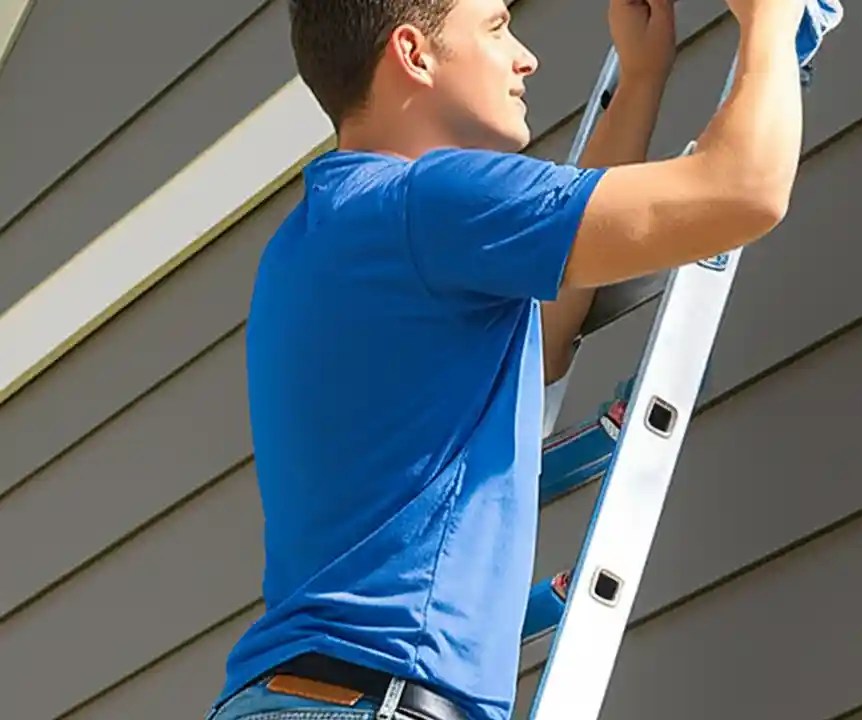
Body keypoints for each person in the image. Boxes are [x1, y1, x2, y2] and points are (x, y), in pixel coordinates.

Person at [205, 0, 804, 716]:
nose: (526, 56)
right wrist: (771, 23)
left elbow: (542, 330)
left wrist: (641, 80)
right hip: (375, 699)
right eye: (495, 27)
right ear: (414, 54)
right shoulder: (432, 201)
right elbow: (745, 191)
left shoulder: (318, 237)